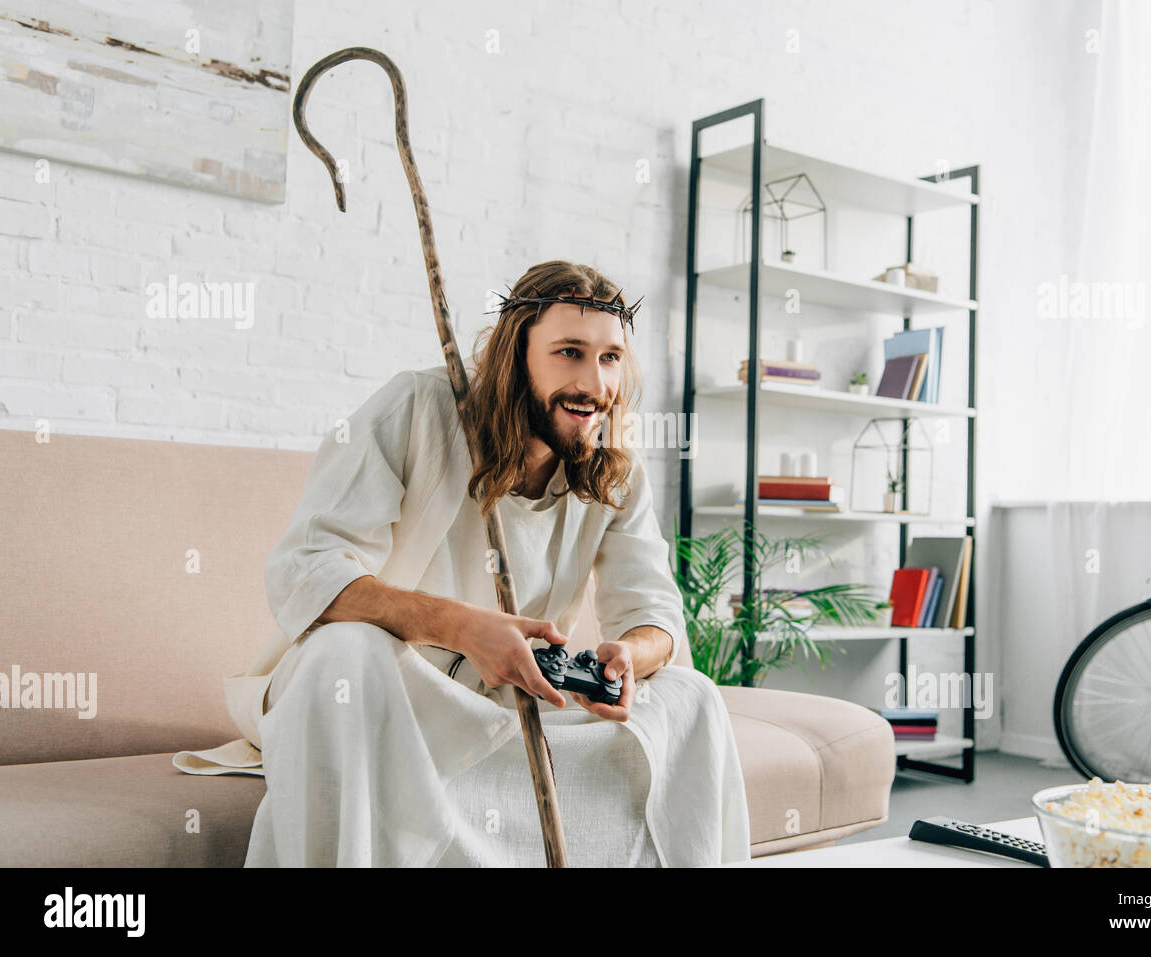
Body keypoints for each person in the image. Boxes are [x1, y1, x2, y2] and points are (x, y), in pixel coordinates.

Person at [176, 260, 750, 867]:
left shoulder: (615, 470)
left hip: (499, 709)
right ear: (515, 353)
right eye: (569, 352)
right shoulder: (417, 408)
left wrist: (629, 656)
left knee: (691, 696)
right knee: (347, 652)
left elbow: (654, 613)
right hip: (380, 697)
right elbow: (306, 569)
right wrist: (463, 628)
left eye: (610, 358)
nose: (593, 383)